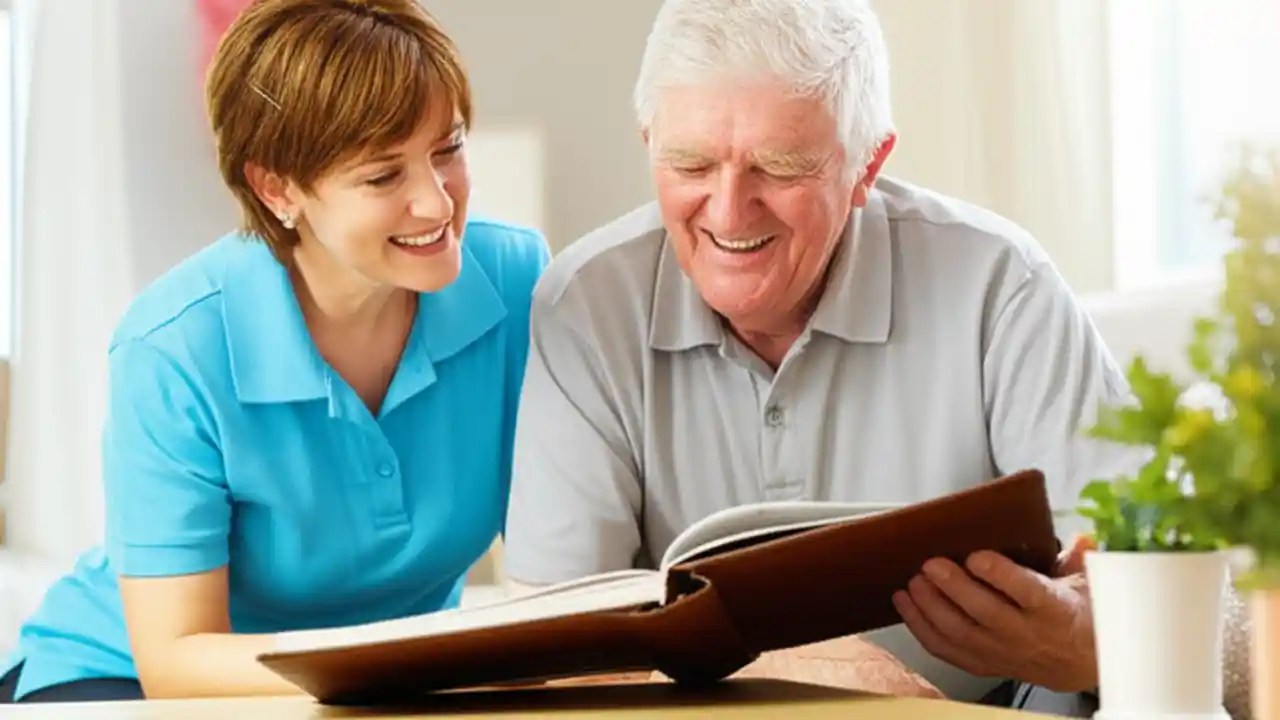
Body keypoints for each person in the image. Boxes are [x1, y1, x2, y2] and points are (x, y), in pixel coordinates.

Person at [500, 0, 1250, 715]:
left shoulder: (1001, 285)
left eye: (782, 166)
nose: (728, 212)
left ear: (867, 164)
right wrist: (785, 678)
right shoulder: (585, 304)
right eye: (690, 164)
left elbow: (1161, 592)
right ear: (648, 143)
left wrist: (1093, 646)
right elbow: (550, 646)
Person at [0, 0, 548, 703]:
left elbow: (558, 569)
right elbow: (177, 659)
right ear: (276, 187)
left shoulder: (514, 281)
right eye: (384, 177)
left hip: (372, 689)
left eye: (448, 150)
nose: (439, 204)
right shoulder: (175, 348)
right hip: (122, 683)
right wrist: (405, 666)